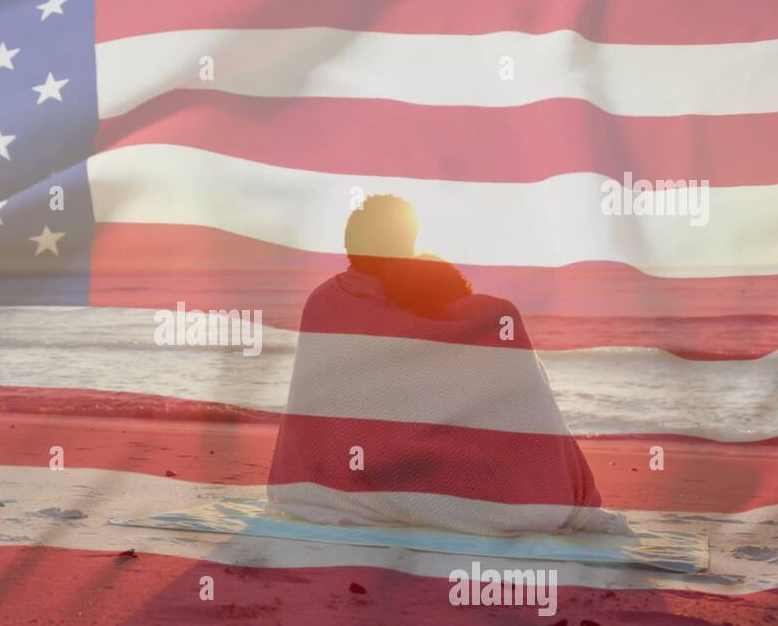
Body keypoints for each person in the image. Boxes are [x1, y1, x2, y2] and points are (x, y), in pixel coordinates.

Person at [265, 195, 628, 536]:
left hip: (337, 478)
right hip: (401, 471)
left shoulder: (327, 302)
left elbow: (319, 416)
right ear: (406, 243)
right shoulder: (346, 302)